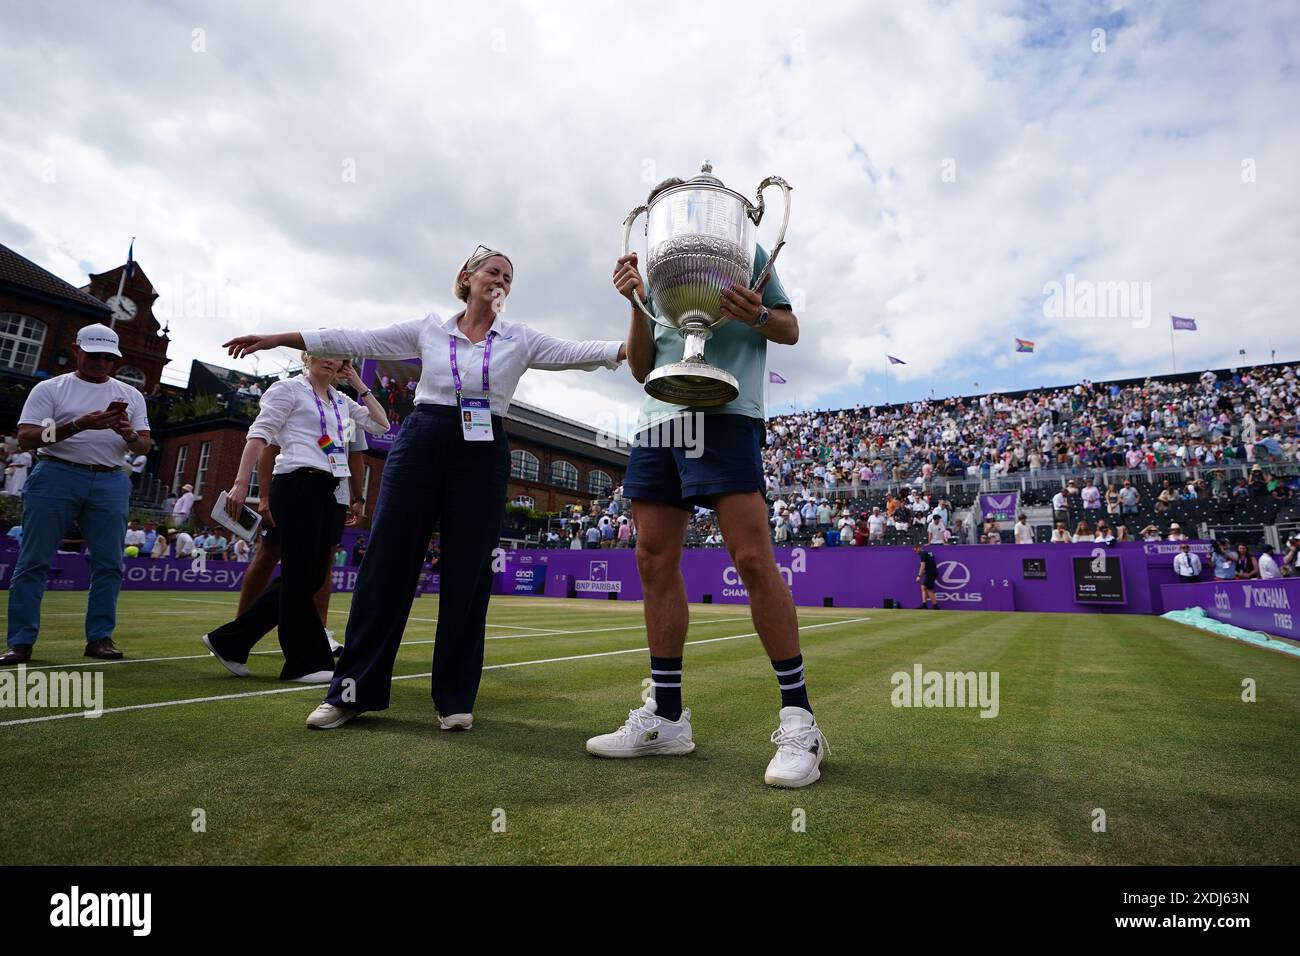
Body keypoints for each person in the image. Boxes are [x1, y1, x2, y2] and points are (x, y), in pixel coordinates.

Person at [224, 246, 625, 727]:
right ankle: (350, 694)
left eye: (509, 278)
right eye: (493, 271)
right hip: (422, 440)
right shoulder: (428, 329)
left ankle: (455, 699)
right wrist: (276, 338)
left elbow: (580, 353)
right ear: (468, 277)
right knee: (387, 563)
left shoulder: (520, 338)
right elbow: (356, 337)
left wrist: (629, 344)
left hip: (483, 447)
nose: (500, 281)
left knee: (469, 572)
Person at [586, 205, 828, 790]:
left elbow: (790, 329)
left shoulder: (749, 256)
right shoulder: (661, 266)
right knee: (651, 559)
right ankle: (667, 719)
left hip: (726, 411)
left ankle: (801, 720)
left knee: (750, 558)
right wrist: (635, 301)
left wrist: (760, 313)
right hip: (660, 419)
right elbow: (642, 368)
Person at [200, 355, 389, 682]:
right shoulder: (287, 389)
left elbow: (381, 424)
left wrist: (358, 384)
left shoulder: (341, 400)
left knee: (311, 576)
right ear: (308, 357)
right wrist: (241, 484)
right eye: (323, 355)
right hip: (296, 483)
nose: (330, 363)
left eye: (338, 359)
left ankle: (230, 641)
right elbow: (258, 437)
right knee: (301, 573)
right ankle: (304, 661)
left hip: (328, 491)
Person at [1, 324, 150, 665]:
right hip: (56, 472)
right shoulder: (51, 388)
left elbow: (144, 444)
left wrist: (126, 431)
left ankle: (99, 638)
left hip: (110, 478)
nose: (100, 362)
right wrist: (78, 424)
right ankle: (20, 642)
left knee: (109, 564)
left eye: (107, 357)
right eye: (94, 355)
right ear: (76, 350)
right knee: (33, 561)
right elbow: (27, 437)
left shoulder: (131, 394)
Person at [914, 542, 940, 609]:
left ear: (919, 548)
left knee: (929, 589)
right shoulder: (928, 553)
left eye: (915, 550)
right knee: (923, 587)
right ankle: (924, 605)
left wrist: (919, 575)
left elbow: (922, 566)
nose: (915, 552)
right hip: (932, 572)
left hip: (930, 573)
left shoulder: (922, 554)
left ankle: (935, 606)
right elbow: (930, 563)